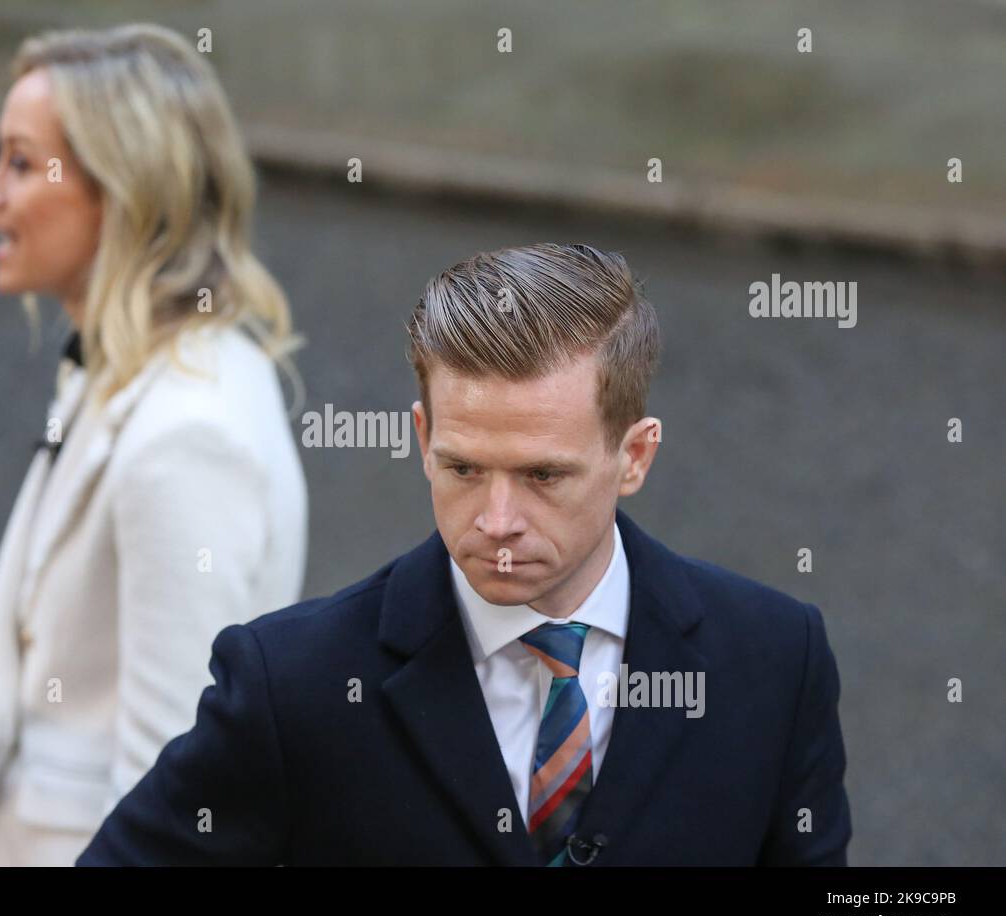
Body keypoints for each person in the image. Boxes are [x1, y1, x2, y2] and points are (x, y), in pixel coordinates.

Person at [78, 242, 851, 866]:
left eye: (543, 474)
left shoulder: (775, 659)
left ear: (635, 457)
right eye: (463, 469)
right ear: (422, 440)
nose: (497, 520)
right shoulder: (294, 684)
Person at [0, 24, 307, 866]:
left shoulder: (186, 433)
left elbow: (178, 785)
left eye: (21, 164)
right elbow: (20, 622)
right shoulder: (120, 370)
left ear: (121, 191)